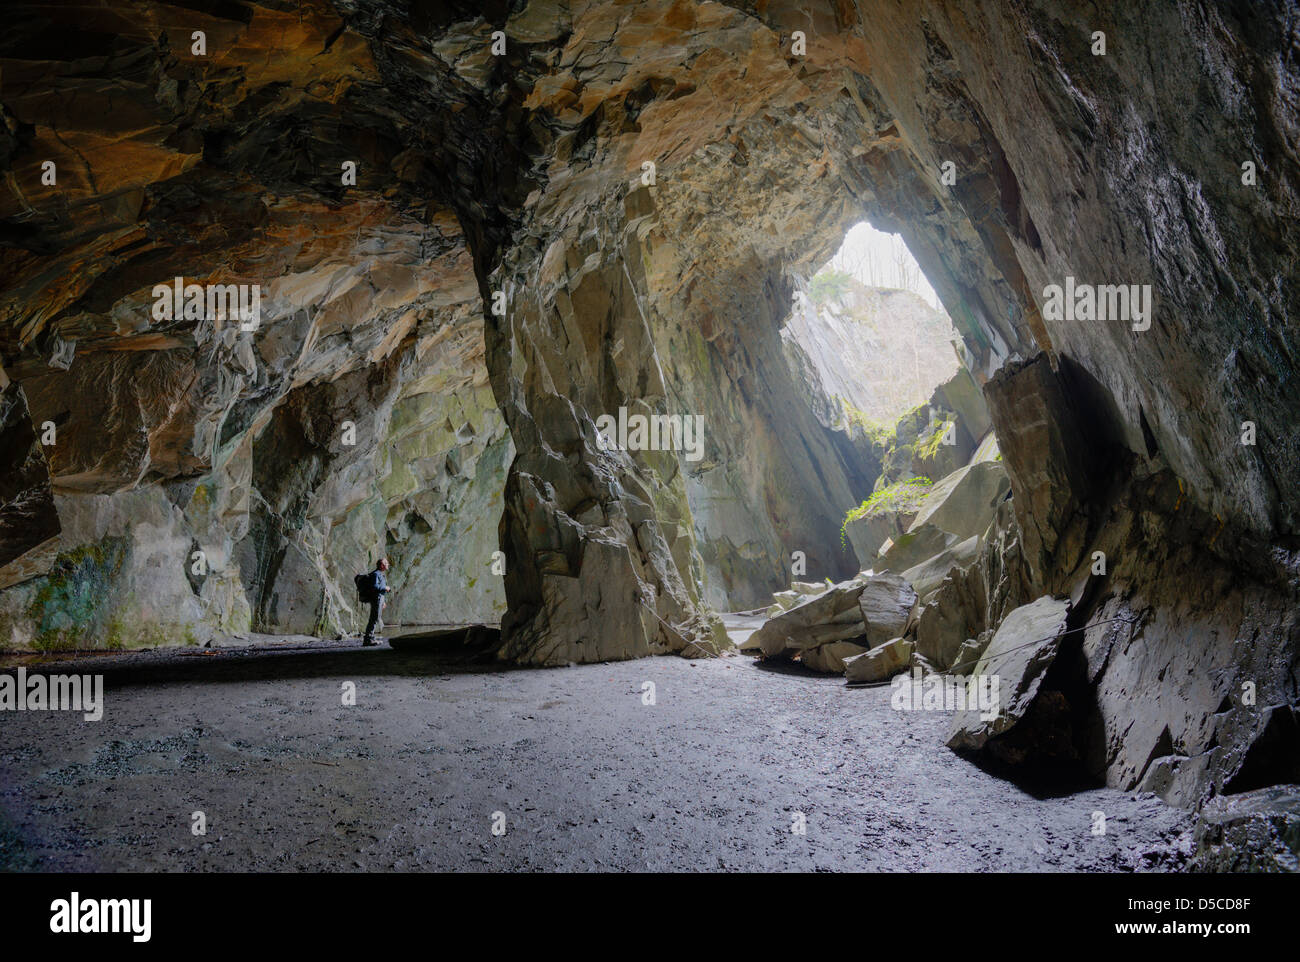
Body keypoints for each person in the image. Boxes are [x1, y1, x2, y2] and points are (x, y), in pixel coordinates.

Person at [362, 558, 392, 647]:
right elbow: (374, 587)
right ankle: (368, 639)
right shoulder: (376, 574)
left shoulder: (379, 574)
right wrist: (385, 588)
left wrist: (383, 601)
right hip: (376, 599)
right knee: (374, 619)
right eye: (386, 563)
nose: (388, 564)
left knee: (375, 618)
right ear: (382, 565)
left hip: (379, 599)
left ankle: (371, 638)